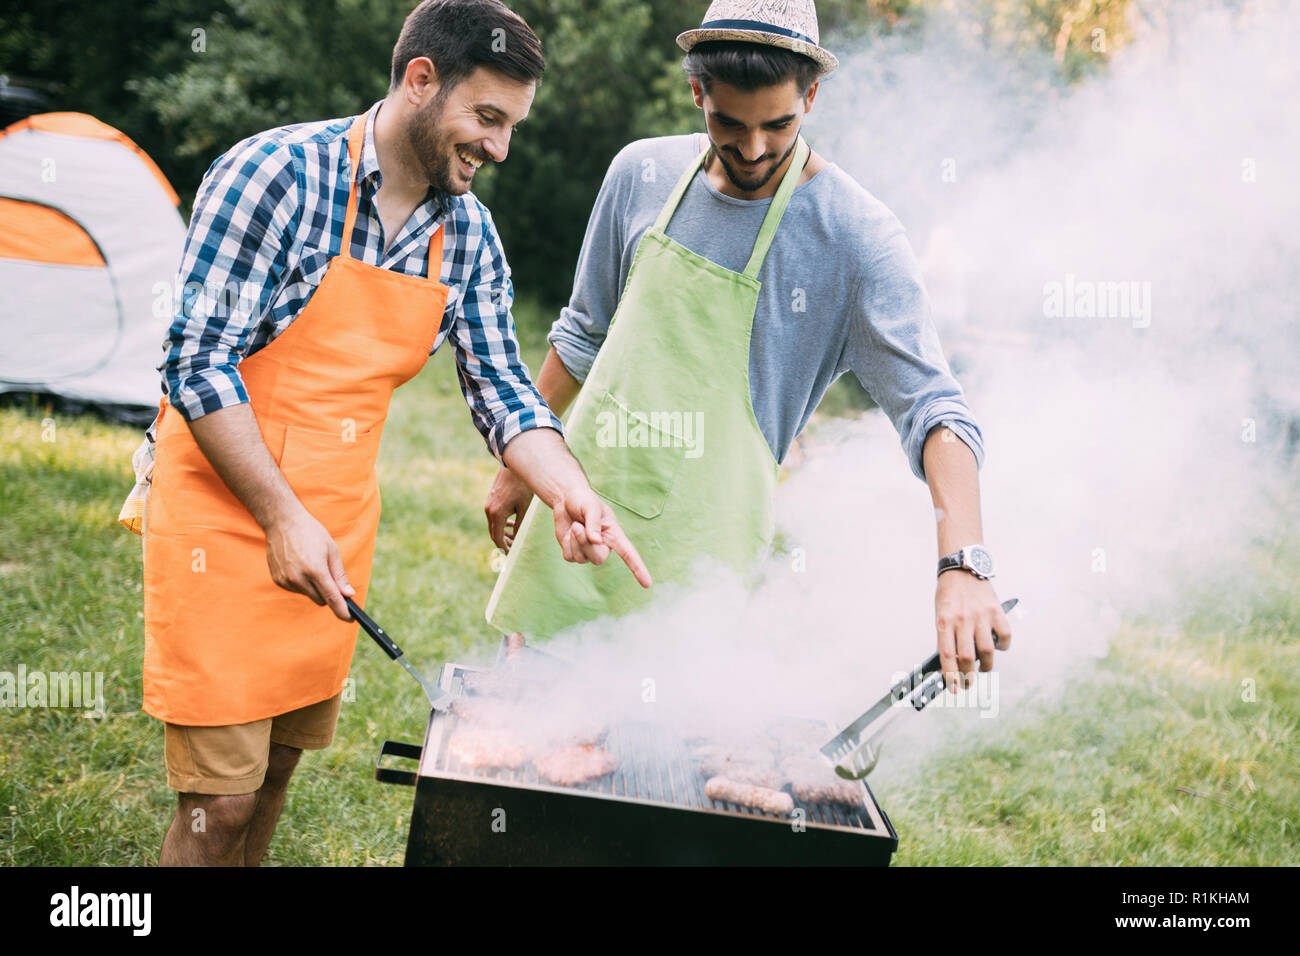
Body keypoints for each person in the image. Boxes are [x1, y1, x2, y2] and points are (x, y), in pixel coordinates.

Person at [121, 0, 649, 867]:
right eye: (487, 118)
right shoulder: (274, 174)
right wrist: (280, 516)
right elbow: (196, 365)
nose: (501, 148)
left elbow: (505, 391)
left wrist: (570, 490)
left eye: (513, 125)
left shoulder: (467, 232)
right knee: (223, 794)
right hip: (224, 510)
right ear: (420, 80)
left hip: (334, 525)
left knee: (279, 770)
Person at [484, 0, 1011, 689]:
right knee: (528, 752)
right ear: (697, 91)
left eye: (779, 124)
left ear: (812, 96)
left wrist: (963, 562)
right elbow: (583, 336)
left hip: (699, 576)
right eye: (728, 124)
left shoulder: (856, 237)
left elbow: (936, 411)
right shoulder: (640, 175)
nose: (755, 149)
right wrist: (520, 468)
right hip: (572, 528)